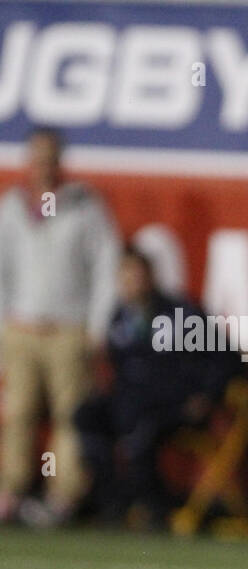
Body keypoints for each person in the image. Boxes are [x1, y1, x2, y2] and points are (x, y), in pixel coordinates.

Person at [0, 126, 120, 525]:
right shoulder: (13, 206)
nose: (44, 167)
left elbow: (106, 268)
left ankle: (61, 495)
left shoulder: (83, 207)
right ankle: (12, 490)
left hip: (68, 329)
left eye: (50, 158)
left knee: (71, 417)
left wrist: (96, 326)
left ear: (60, 162)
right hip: (21, 327)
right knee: (17, 414)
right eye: (37, 158)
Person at [74, 246, 242, 527]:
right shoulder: (119, 317)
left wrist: (207, 396)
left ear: (150, 277)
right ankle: (110, 502)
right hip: (133, 402)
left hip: (174, 405)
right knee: (87, 415)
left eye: (136, 276)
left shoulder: (182, 314)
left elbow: (228, 358)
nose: (131, 284)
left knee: (140, 426)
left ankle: (153, 508)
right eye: (125, 277)